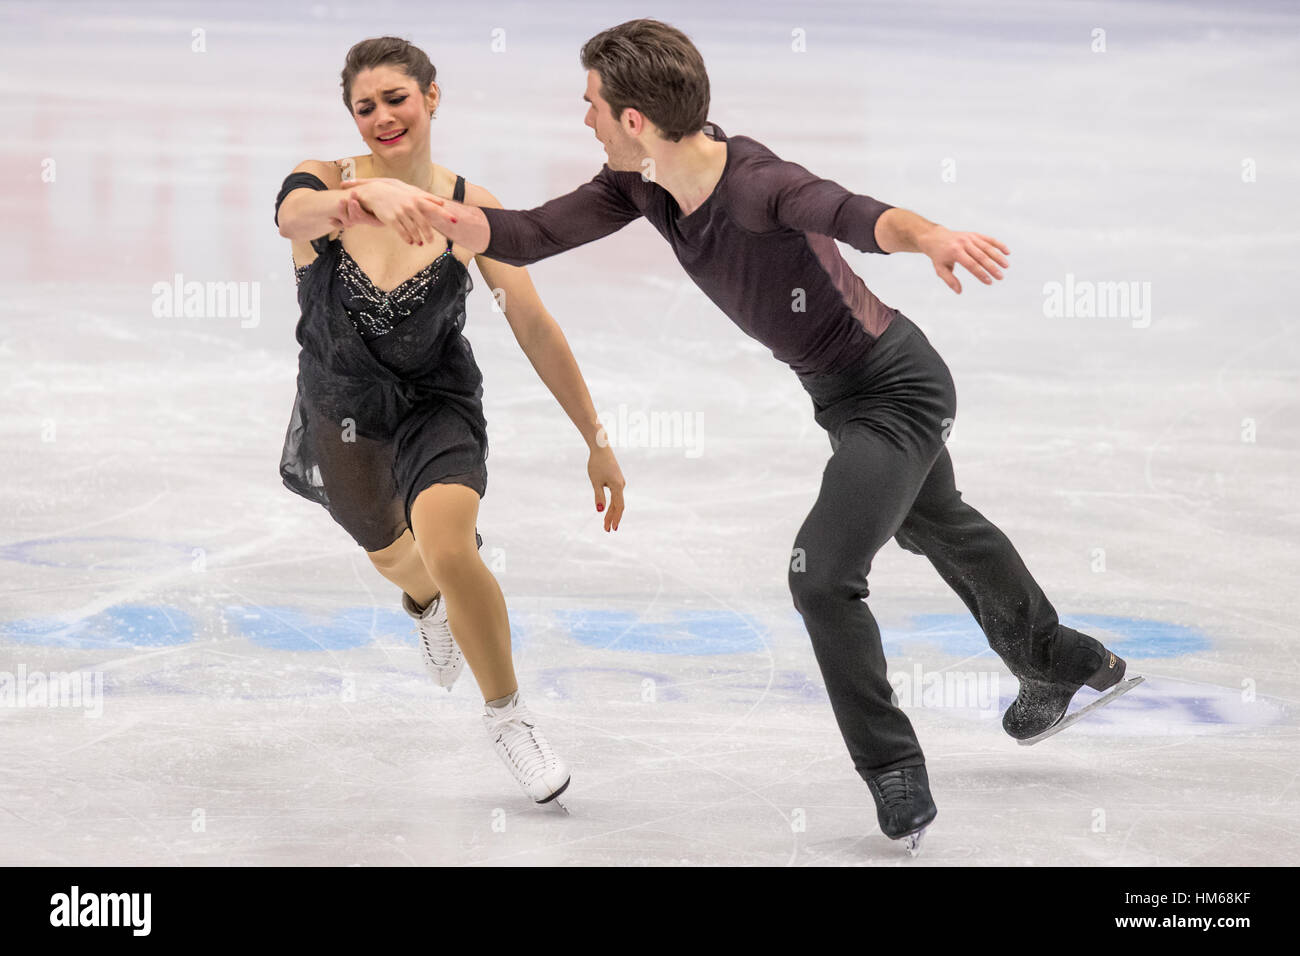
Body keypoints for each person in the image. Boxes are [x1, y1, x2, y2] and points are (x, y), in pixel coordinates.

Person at [348, 18, 1135, 849]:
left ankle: (893, 769)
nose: (584, 120)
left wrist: (931, 235)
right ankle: (1061, 658)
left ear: (635, 121)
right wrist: (422, 207)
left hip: (897, 391)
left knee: (822, 576)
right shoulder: (640, 184)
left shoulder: (759, 182)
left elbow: (860, 214)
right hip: (839, 395)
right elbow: (530, 234)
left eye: (591, 106)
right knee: (940, 523)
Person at [273, 35, 627, 806]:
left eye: (397, 98)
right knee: (401, 560)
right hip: (344, 415)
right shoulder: (323, 184)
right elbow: (290, 216)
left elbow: (532, 323)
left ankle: (508, 717)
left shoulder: (472, 206)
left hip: (438, 403)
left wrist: (595, 438)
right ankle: (425, 602)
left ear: (431, 98)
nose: (382, 117)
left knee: (449, 541)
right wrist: (363, 198)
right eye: (365, 107)